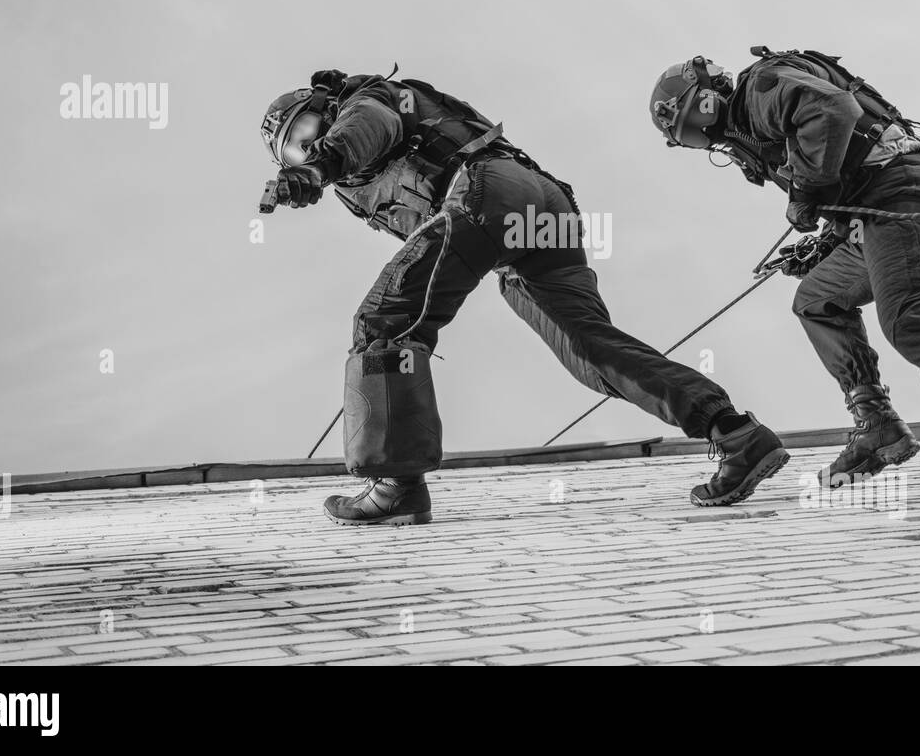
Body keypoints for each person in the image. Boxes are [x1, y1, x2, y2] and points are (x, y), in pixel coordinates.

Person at [261, 67, 790, 525]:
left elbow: (365, 129)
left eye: (306, 130)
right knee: (587, 349)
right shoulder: (357, 182)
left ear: (324, 108)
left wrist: (315, 165)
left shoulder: (366, 104)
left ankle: (394, 485)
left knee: (384, 323)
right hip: (538, 211)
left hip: (488, 188)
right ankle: (736, 433)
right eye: (293, 148)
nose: (306, 148)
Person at [647, 49, 920, 502]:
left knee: (910, 316)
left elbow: (833, 108)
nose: (711, 144)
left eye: (694, 136)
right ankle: (877, 424)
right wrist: (825, 242)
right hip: (880, 207)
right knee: (818, 299)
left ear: (697, 107)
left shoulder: (759, 88)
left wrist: (803, 190)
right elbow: (836, 163)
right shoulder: (758, 102)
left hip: (900, 194)